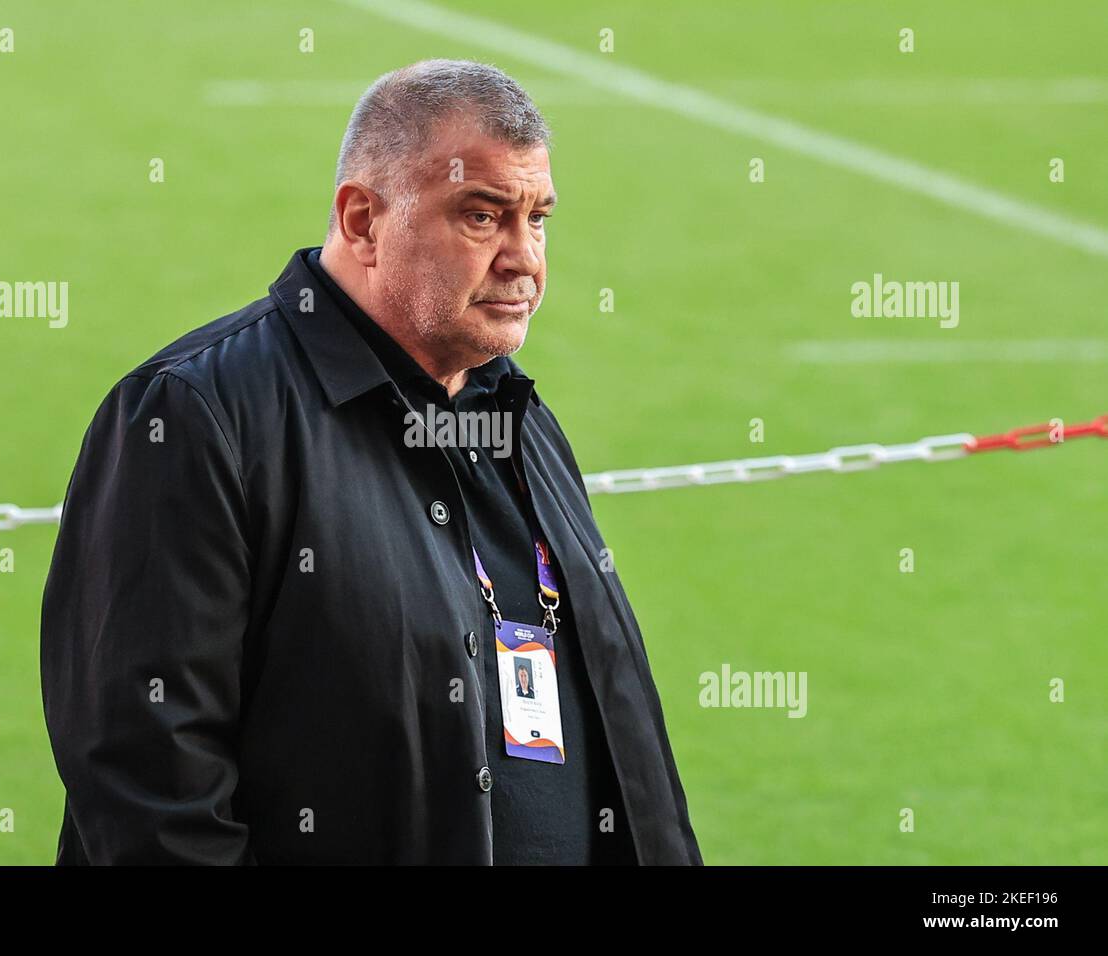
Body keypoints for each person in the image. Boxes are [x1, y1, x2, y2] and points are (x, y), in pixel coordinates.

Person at [40, 58, 701, 866]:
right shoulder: (196, 416)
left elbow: (624, 742)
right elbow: (149, 791)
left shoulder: (516, 416)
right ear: (361, 221)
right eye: (483, 217)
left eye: (538, 219)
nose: (525, 259)